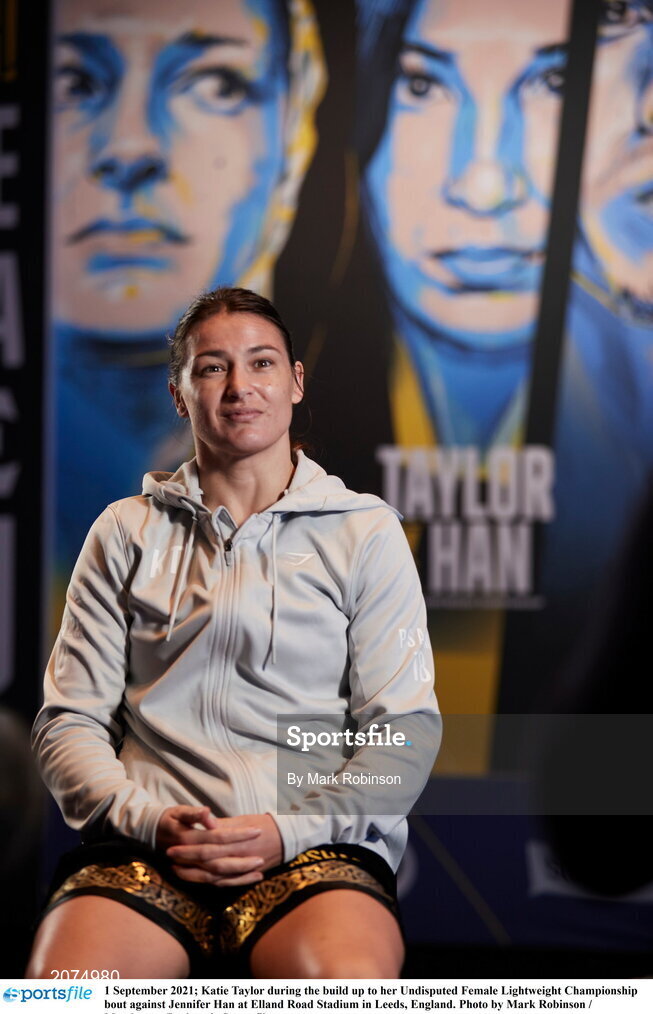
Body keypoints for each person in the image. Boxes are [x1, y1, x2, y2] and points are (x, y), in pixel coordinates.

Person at [28, 286, 441, 978]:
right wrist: (145, 818)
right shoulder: (124, 530)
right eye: (212, 368)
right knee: (62, 997)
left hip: (311, 844)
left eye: (261, 363)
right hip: (150, 845)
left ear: (295, 382)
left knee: (347, 991)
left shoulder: (364, 530)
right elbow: (68, 721)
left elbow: (401, 731)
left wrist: (289, 830)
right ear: (179, 393)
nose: (239, 387)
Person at [51, 0, 326, 585]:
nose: (129, 148)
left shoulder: (354, 536)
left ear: (293, 138)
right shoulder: (110, 540)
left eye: (214, 84)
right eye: (74, 81)